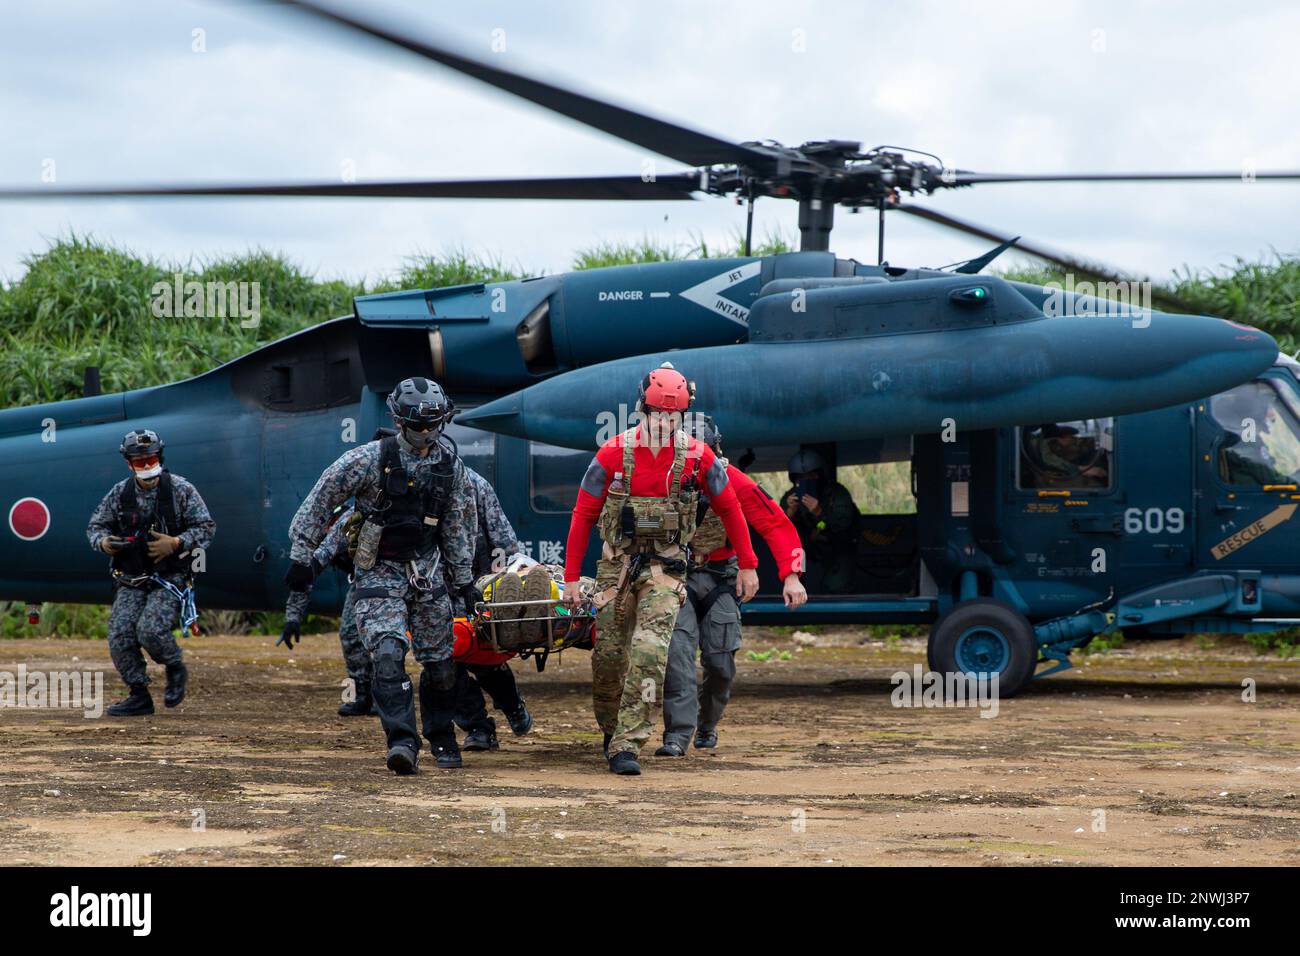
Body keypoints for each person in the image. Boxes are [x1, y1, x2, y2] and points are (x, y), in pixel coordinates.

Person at [561, 363, 759, 775]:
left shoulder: (699, 457)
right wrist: (570, 579)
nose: (665, 423)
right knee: (610, 660)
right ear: (642, 410)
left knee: (651, 652)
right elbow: (582, 516)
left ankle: (627, 745)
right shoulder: (612, 454)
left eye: (674, 416)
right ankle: (611, 728)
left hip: (666, 569)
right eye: (658, 414)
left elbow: (731, 508)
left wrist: (749, 565)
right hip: (616, 568)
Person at [287, 377, 477, 775]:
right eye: (416, 426)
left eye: (432, 426)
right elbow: (320, 501)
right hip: (379, 570)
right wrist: (303, 556)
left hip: (427, 571)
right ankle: (402, 741)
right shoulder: (368, 460)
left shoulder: (450, 467)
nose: (424, 434)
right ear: (398, 420)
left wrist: (464, 582)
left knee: (442, 666)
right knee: (388, 656)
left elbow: (458, 526)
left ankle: (441, 736)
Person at [658, 415, 807, 756]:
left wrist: (791, 575)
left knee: (720, 664)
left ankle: (706, 724)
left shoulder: (734, 481)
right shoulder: (665, 479)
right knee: (678, 660)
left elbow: (775, 524)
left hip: (721, 577)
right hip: (676, 577)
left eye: (704, 452)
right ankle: (676, 736)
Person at [86, 429, 216, 716]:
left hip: (169, 579)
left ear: (160, 457)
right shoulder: (120, 494)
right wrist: (105, 543)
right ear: (129, 463)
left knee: (150, 630)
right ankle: (139, 694)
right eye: (139, 461)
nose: (146, 465)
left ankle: (174, 666)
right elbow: (96, 528)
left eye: (151, 459)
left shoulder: (181, 490)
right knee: (120, 635)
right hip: (131, 579)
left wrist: (177, 543)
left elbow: (206, 527)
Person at [448, 466, 535, 752]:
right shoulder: (400, 485)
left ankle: (511, 705)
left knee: (484, 659)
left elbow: (504, 541)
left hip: (476, 585)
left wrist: (503, 581)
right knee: (445, 661)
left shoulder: (473, 483)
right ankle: (477, 727)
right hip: (434, 589)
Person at [279, 503, 373, 716]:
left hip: (395, 575)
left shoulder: (351, 519)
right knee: (350, 633)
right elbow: (304, 579)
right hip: (362, 580)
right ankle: (364, 696)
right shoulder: (316, 536)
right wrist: (292, 619)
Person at [781, 449, 859, 594]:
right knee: (795, 587)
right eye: (801, 478)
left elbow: (844, 524)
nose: (806, 481)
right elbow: (778, 531)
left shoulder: (836, 494)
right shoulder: (791, 498)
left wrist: (819, 512)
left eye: (811, 476)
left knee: (837, 587)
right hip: (803, 553)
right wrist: (789, 513)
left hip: (836, 549)